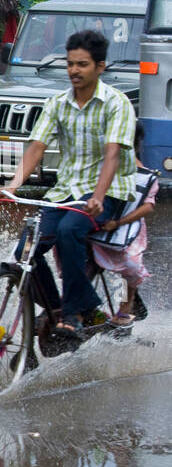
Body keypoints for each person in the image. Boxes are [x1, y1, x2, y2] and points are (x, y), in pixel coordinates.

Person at [0, 29, 138, 336]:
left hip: (109, 191)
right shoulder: (57, 103)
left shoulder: (117, 103)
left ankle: (77, 311)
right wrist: (13, 185)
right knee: (25, 249)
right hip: (66, 191)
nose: (74, 70)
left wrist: (99, 196)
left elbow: (112, 154)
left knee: (68, 231)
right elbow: (37, 146)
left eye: (82, 64)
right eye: (71, 63)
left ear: (100, 67)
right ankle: (57, 307)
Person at [91, 122, 158, 326]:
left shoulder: (145, 175)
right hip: (100, 223)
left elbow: (147, 207)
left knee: (128, 266)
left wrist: (119, 222)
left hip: (128, 229)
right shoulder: (100, 168)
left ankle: (125, 307)